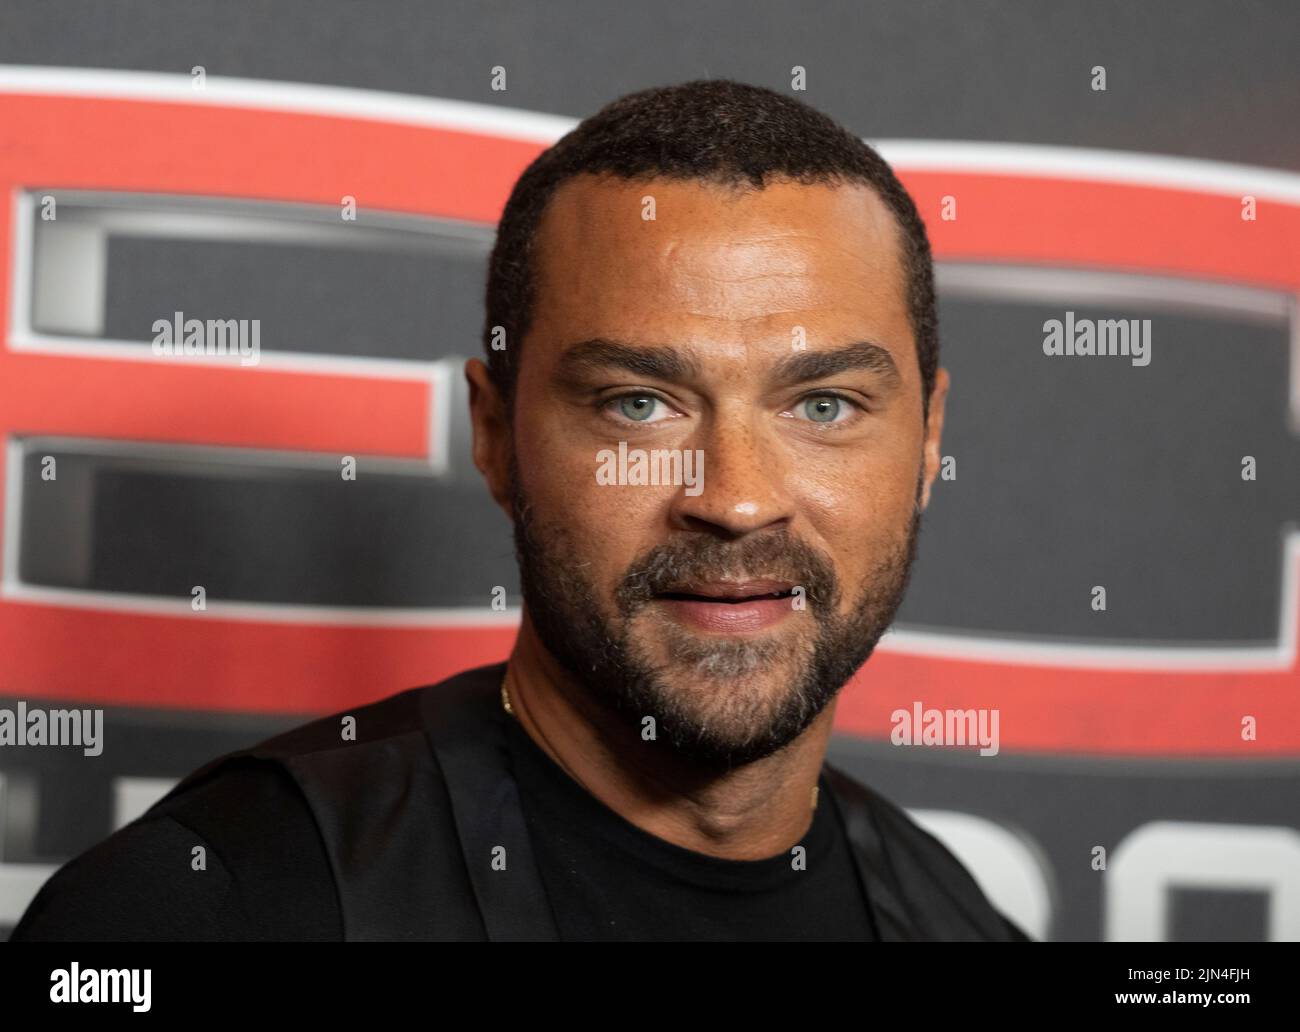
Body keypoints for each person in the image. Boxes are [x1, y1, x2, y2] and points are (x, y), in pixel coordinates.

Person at [13, 79, 1028, 942]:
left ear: (929, 438)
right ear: (494, 436)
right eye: (638, 403)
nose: (735, 499)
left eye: (822, 405)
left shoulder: (955, 919)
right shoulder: (204, 909)